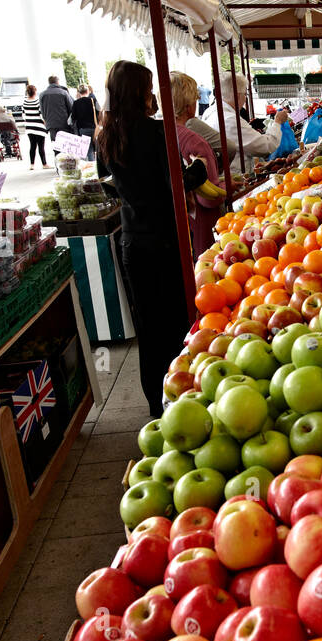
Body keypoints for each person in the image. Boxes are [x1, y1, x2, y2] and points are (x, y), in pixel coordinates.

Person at [97, 60, 209, 418]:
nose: (153, 97)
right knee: (178, 324)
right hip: (166, 241)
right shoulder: (155, 133)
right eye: (149, 90)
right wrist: (198, 172)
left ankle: (154, 408)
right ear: (140, 94)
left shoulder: (106, 135)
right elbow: (174, 189)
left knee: (149, 331)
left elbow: (111, 186)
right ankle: (181, 399)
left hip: (133, 243)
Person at [171, 71, 225, 256]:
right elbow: (209, 199)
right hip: (202, 228)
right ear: (189, 106)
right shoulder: (194, 142)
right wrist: (227, 186)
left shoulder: (162, 135)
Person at [203, 72, 281, 163]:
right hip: (235, 174)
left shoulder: (210, 112)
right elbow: (266, 146)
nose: (245, 99)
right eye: (245, 94)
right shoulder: (230, 120)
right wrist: (277, 122)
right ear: (237, 95)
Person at [39, 75, 73, 152]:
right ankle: (67, 163)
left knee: (56, 147)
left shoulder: (42, 94)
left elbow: (42, 111)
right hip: (64, 124)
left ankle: (58, 162)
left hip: (51, 125)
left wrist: (46, 121)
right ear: (57, 82)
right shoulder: (63, 93)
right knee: (66, 147)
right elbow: (71, 107)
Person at [70, 84, 100, 155]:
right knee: (98, 149)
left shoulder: (76, 103)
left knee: (88, 149)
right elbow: (99, 113)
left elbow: (73, 117)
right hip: (94, 128)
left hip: (82, 129)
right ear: (88, 91)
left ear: (79, 93)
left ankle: (91, 163)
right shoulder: (93, 100)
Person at [24, 85, 48, 167]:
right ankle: (44, 164)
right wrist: (45, 123)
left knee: (32, 146)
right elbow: (41, 115)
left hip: (29, 127)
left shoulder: (25, 102)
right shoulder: (37, 102)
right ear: (35, 92)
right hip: (39, 127)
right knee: (41, 147)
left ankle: (32, 164)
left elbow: (23, 115)